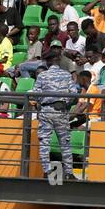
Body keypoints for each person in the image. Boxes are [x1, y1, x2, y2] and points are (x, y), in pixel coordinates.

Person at [33, 46, 80, 181]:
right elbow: (74, 93)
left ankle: (47, 172)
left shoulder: (42, 75)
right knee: (65, 142)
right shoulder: (66, 75)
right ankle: (69, 173)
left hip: (46, 111)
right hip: (61, 111)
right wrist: (64, 101)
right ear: (58, 60)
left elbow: (36, 94)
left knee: (45, 143)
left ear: (48, 62)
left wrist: (44, 101)